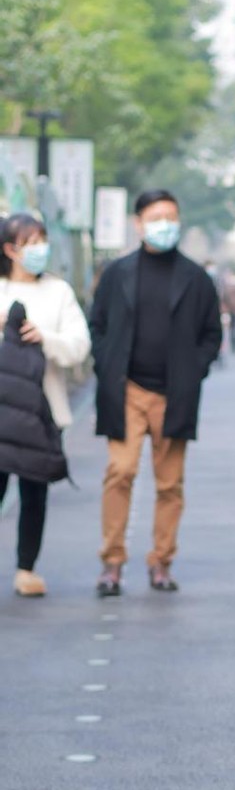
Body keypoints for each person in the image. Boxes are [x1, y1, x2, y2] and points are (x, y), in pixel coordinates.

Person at [88, 190, 222, 597]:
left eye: (170, 216)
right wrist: (105, 363)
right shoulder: (118, 273)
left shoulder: (195, 278)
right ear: (139, 223)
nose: (164, 224)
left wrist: (193, 370)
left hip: (174, 394)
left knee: (169, 484)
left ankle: (161, 562)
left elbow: (211, 333)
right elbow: (98, 324)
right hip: (126, 389)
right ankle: (112, 562)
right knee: (120, 472)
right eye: (156, 217)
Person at [0, 213, 91, 596]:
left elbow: (79, 346)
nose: (40, 249)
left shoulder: (59, 292)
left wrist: (45, 338)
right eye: (30, 242)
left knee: (34, 491)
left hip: (42, 412)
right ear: (10, 249)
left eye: (42, 240)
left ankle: (26, 569)